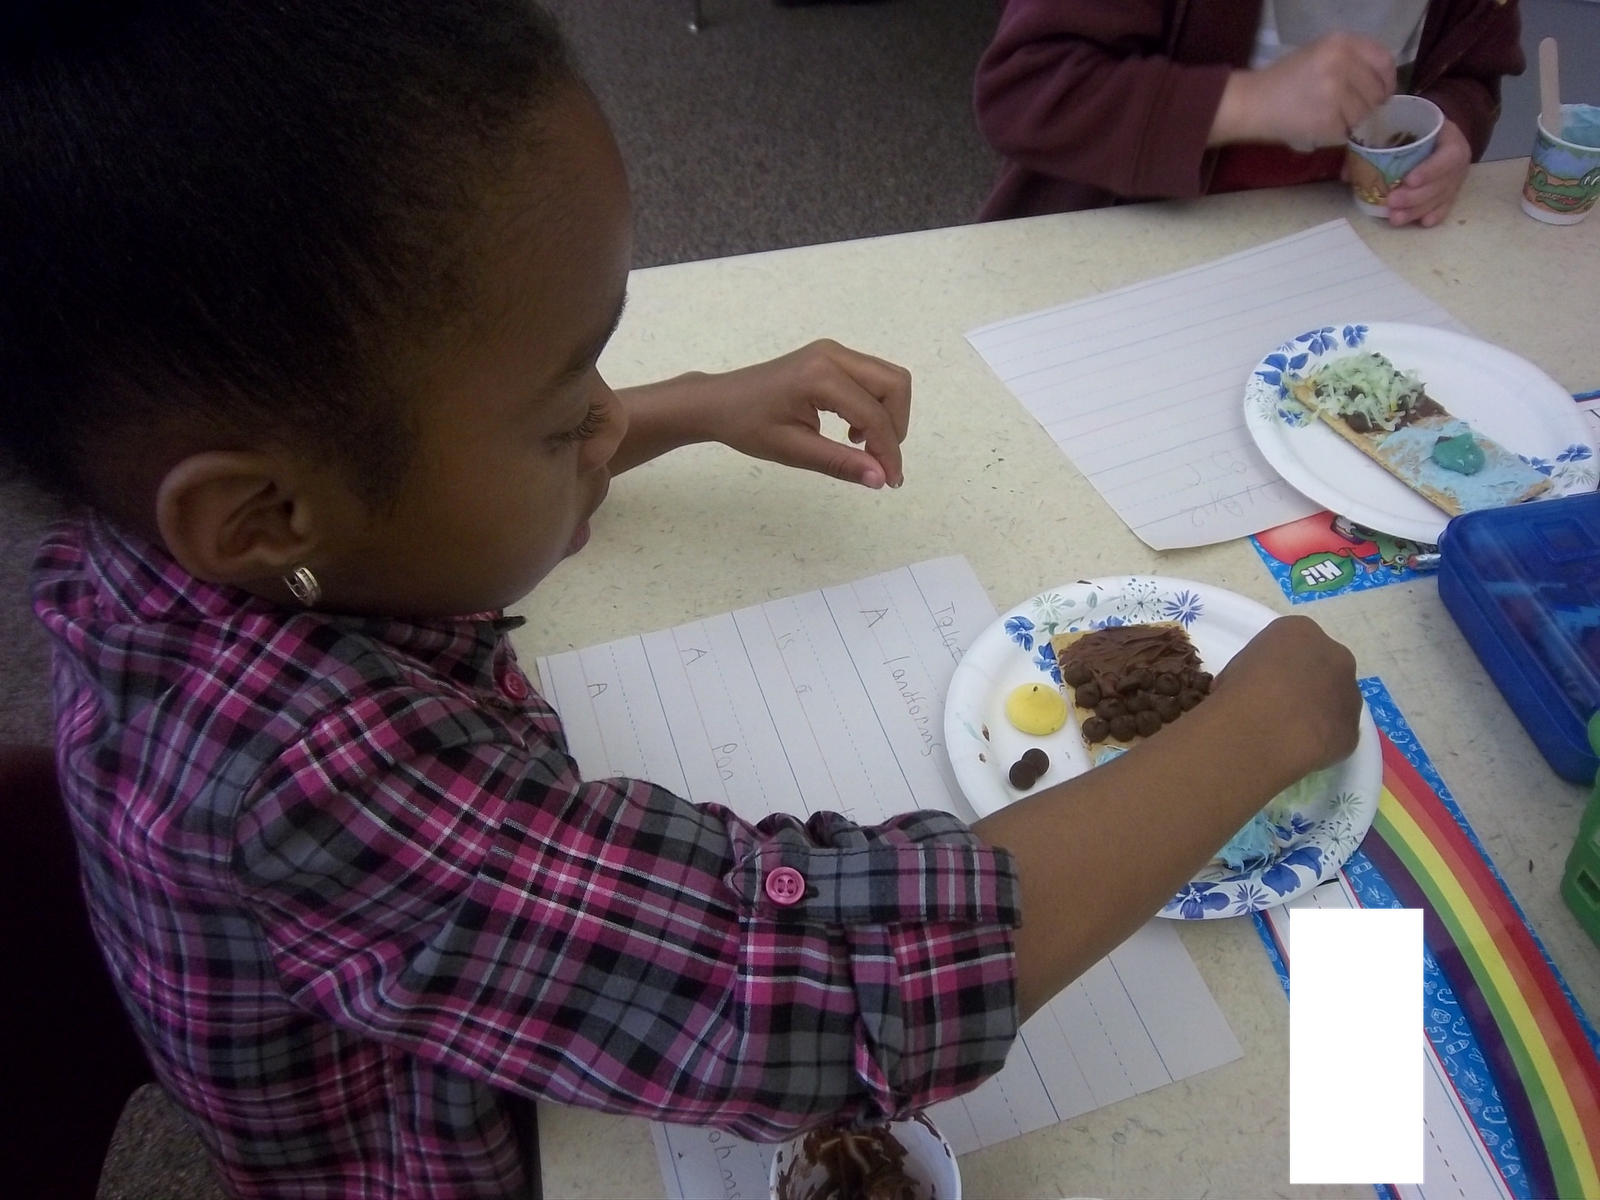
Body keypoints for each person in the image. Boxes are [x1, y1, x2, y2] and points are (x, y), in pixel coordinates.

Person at [2, 2, 1362, 1196]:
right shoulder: (300, 778)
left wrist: (698, 407)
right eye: (560, 418)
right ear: (265, 516)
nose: (604, 421)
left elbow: (409, 486)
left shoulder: (192, 549)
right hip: (445, 1149)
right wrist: (1255, 734)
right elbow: (829, 996)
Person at [974, 0, 1524, 227]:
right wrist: (1248, 101)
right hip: (1141, 224)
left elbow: (1474, 71)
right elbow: (1025, 90)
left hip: (1352, 236)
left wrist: (1455, 127)